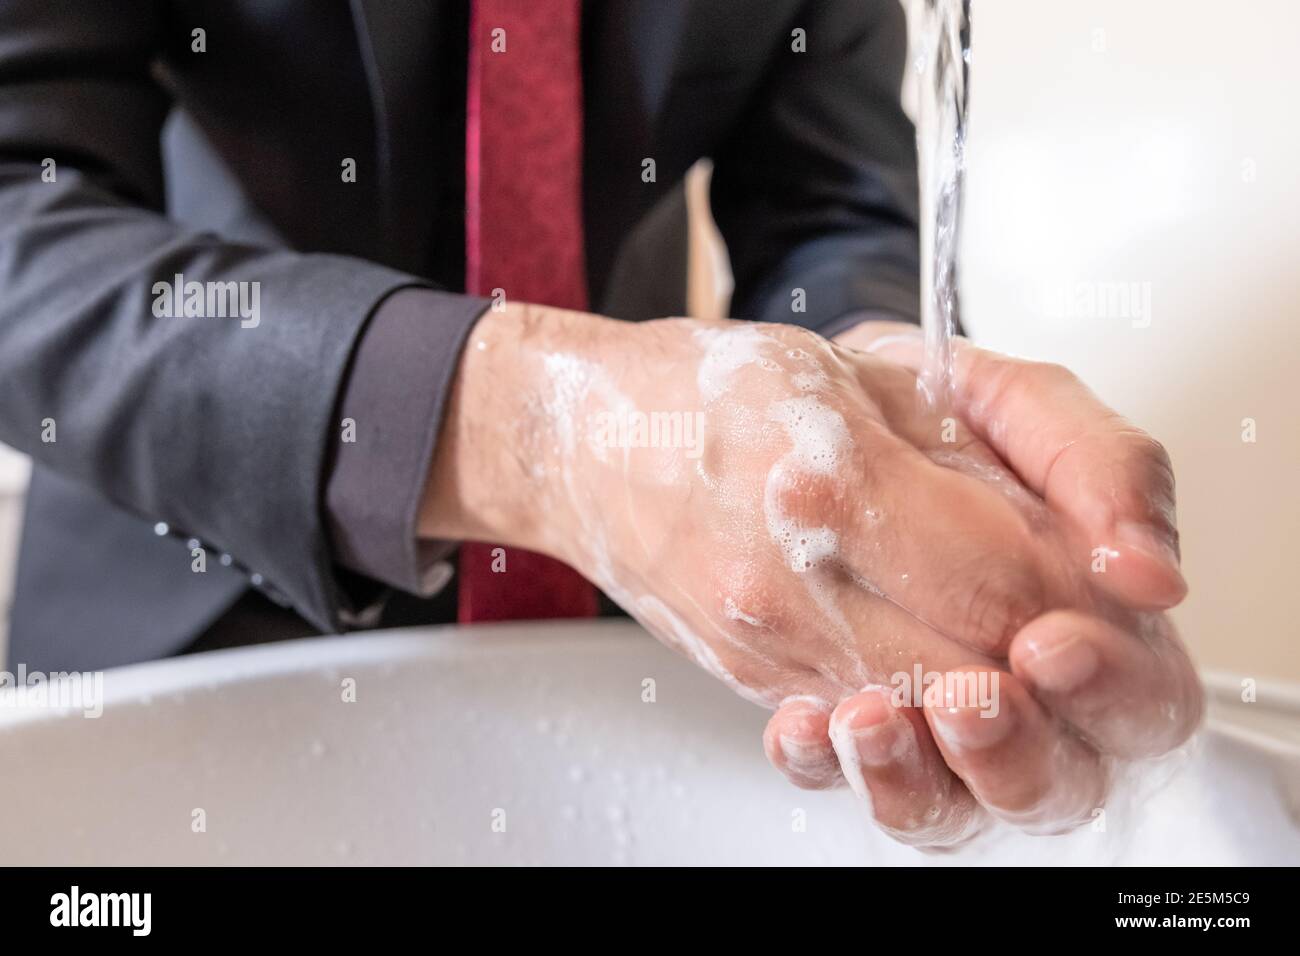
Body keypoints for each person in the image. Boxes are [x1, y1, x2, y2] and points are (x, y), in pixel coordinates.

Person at [0, 0, 1199, 846]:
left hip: (657, 648)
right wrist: (543, 432)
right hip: (190, 608)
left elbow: (830, 216)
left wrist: (873, 404)